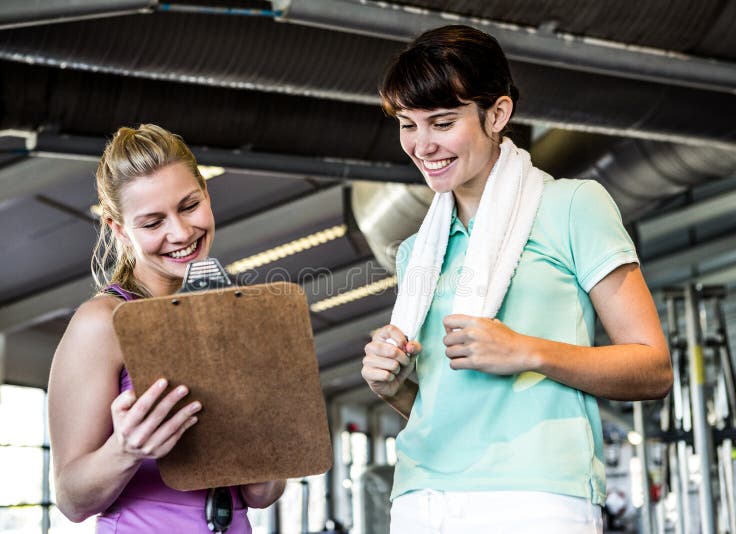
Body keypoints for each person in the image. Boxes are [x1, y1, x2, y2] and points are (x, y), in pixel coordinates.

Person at [361, 25, 672, 533]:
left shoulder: (572, 206)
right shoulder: (419, 250)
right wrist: (393, 386)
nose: (421, 145)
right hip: (422, 498)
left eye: (441, 122)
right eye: (408, 124)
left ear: (497, 114)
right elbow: (440, 404)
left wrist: (527, 350)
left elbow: (653, 368)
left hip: (539, 495)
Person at [48, 124, 285, 532]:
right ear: (120, 230)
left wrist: (267, 432)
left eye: (189, 206)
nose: (180, 233)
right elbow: (71, 501)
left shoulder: (233, 314)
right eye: (153, 222)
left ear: (207, 195)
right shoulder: (103, 323)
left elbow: (260, 495)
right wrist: (126, 449)